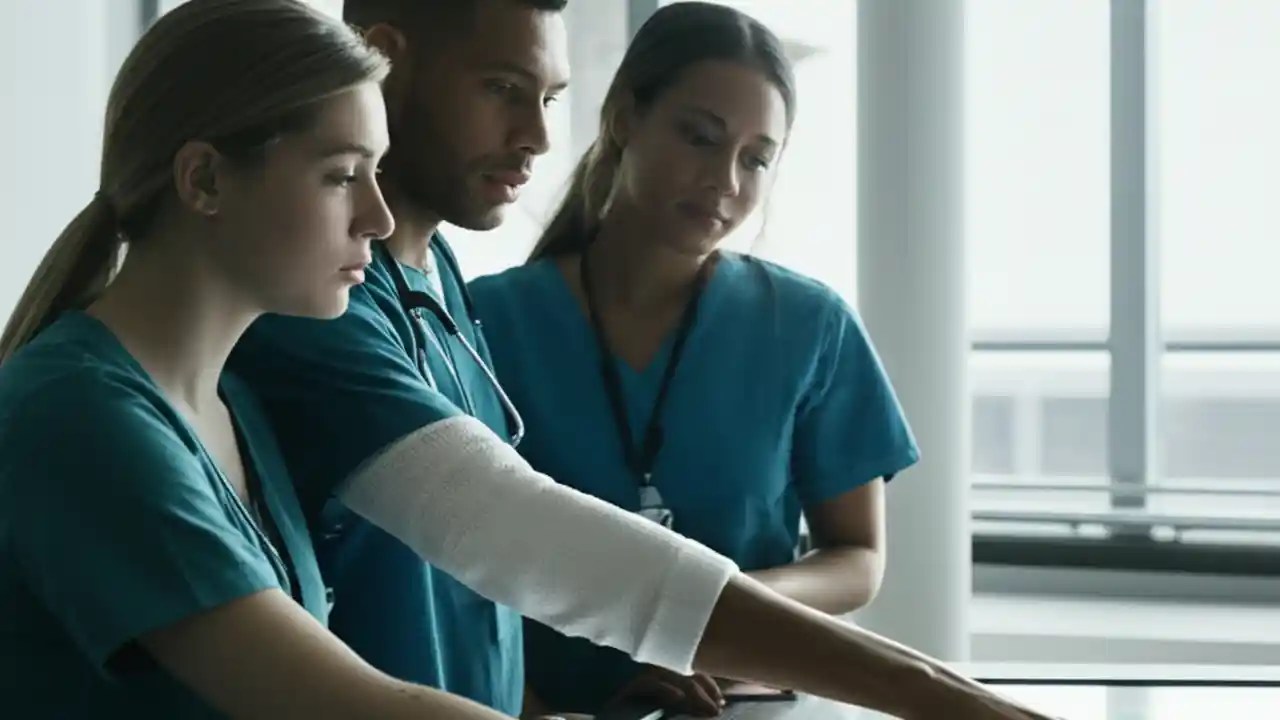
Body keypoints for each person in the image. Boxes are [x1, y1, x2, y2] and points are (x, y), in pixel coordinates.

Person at [228, 2, 1057, 719]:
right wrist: (933, 693)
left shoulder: (436, 280)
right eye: (502, 89)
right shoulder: (319, 303)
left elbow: (476, 608)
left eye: (549, 98)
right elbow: (504, 529)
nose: (537, 137)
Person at [0, 1, 518, 717]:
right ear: (205, 180)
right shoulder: (78, 417)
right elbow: (345, 709)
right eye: (342, 176)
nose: (379, 218)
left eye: (376, 172)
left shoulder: (234, 407)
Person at [468, 2, 918, 715]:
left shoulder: (808, 325)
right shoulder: (484, 322)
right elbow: (454, 562)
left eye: (756, 158)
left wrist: (705, 623)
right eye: (700, 137)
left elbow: (857, 559)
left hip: (737, 703)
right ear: (624, 118)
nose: (726, 181)